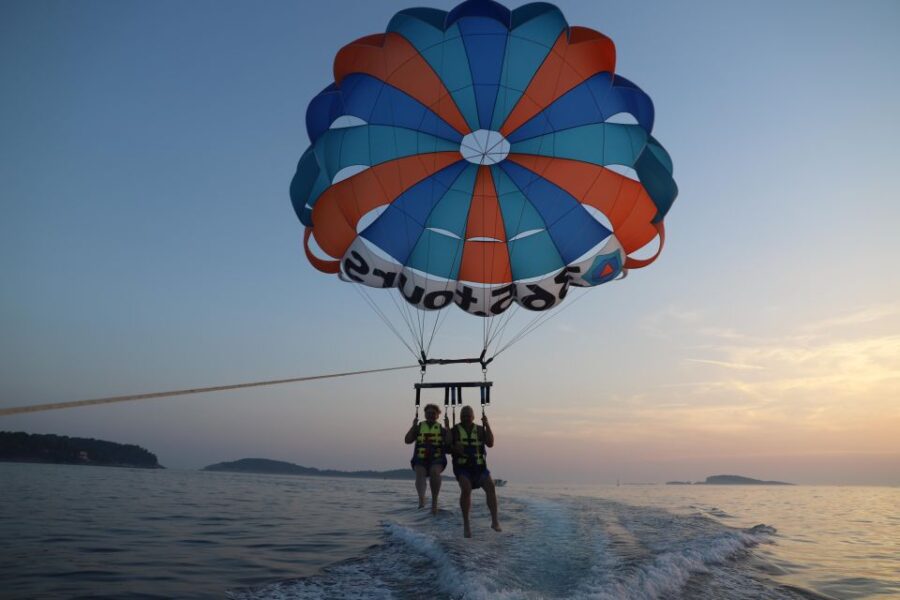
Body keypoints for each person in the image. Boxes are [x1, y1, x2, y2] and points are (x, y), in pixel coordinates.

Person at [451, 405, 500, 537]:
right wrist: (454, 447)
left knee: (491, 486)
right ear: (460, 417)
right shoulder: (454, 430)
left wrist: (487, 424)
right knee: (466, 489)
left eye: (468, 415)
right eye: (463, 415)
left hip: (480, 467)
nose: (466, 418)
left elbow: (490, 443)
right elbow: (446, 446)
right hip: (462, 468)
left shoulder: (479, 429)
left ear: (473, 417)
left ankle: (495, 521)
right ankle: (466, 524)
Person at [404, 403, 450, 514]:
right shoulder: (419, 427)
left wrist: (448, 428)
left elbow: (448, 443)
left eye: (433, 413)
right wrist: (413, 426)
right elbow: (407, 440)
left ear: (438, 415)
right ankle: (421, 500)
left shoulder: (441, 429)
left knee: (434, 472)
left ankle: (434, 503)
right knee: (420, 472)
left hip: (437, 458)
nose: (430, 415)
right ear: (424, 414)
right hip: (420, 458)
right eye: (428, 413)